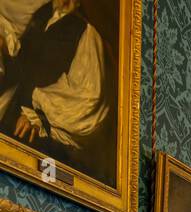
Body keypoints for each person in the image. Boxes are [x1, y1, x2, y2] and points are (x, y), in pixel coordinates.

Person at [0, 0, 113, 185]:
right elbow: (25, 58)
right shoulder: (42, 14)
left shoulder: (87, 32)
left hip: (44, 136)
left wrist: (38, 116)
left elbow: (88, 100)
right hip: (12, 109)